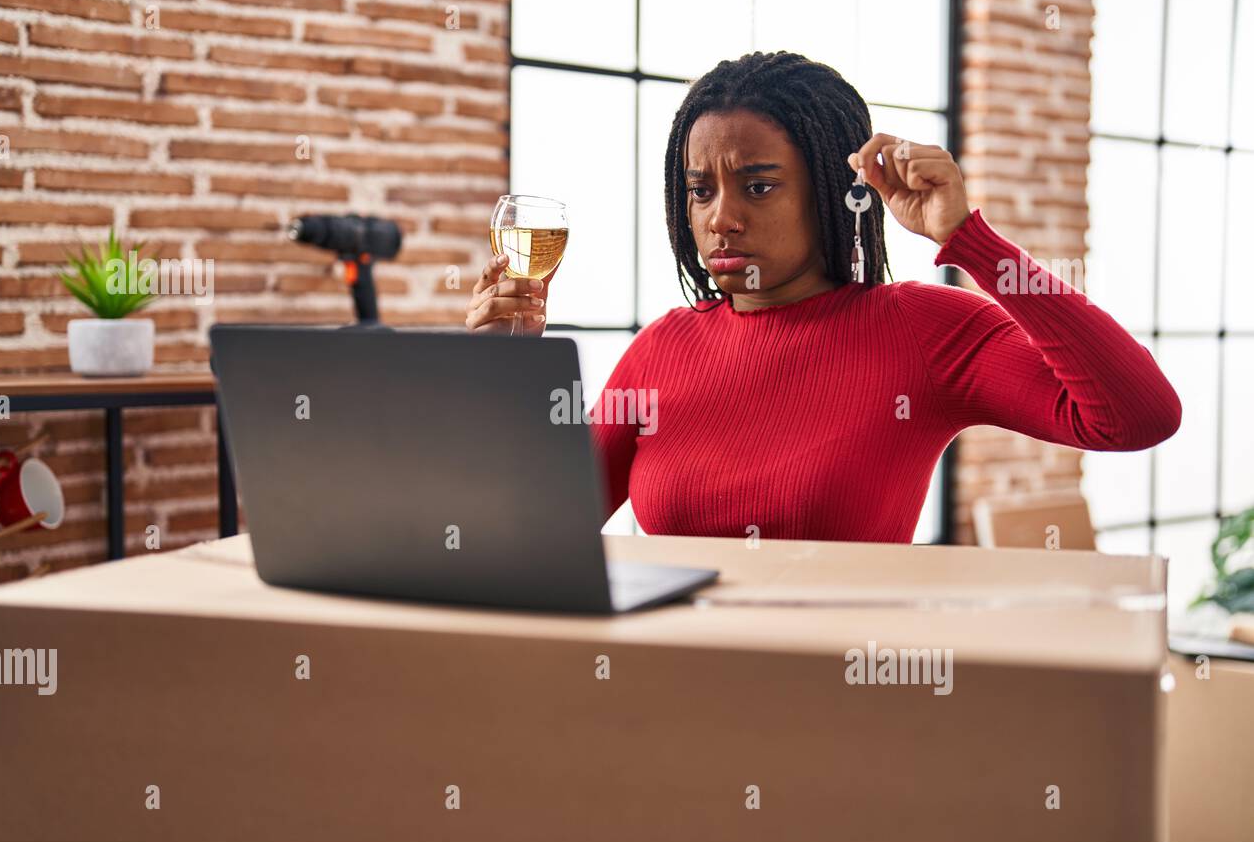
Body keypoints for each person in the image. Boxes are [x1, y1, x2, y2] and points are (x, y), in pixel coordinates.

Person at [465, 51, 1182, 543]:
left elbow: (1136, 417)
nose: (721, 217)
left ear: (838, 197)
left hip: (844, 720)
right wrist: (502, 378)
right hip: (662, 712)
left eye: (758, 185)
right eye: (700, 190)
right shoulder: (662, 350)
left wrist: (970, 240)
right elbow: (537, 536)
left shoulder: (925, 331)